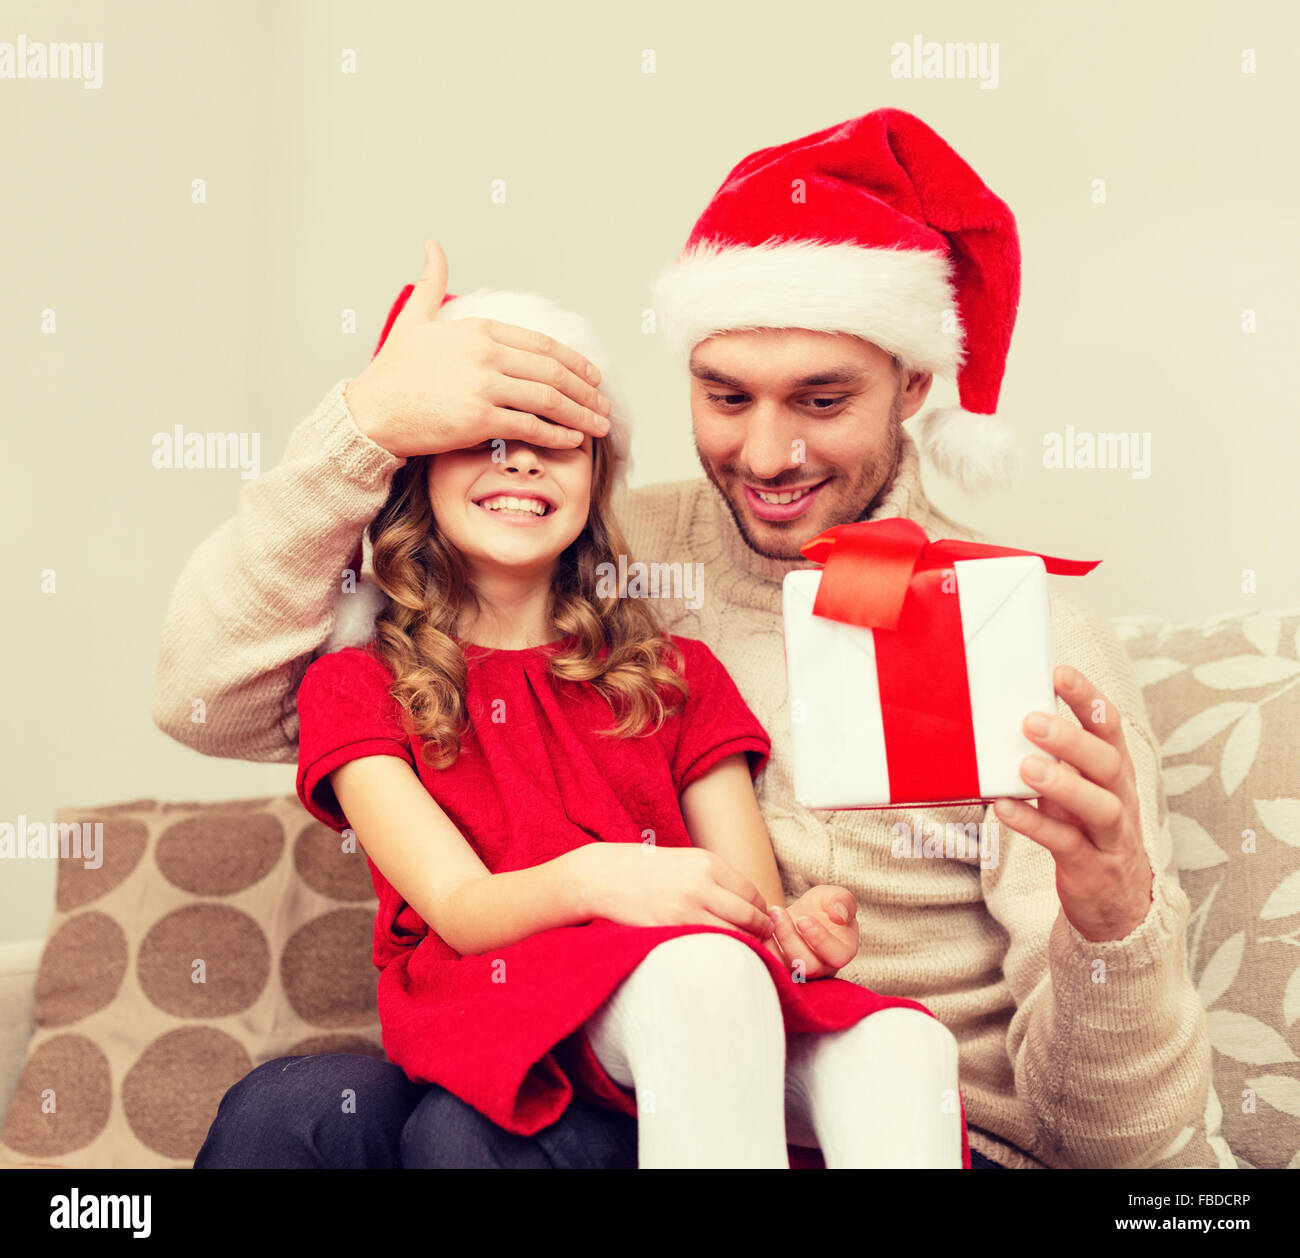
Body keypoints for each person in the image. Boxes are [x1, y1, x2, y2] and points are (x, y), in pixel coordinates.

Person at [164, 107, 1215, 1171]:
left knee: (477, 1128)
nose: (767, 453)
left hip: (869, 1097)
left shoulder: (1015, 635)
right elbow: (206, 693)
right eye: (725, 396)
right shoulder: (605, 555)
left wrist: (1112, 920)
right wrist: (367, 424)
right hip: (588, 1044)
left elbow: (1140, 1156)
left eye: (820, 397)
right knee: (293, 1109)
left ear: (912, 383)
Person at [290, 314, 967, 1166]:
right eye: (483, 441)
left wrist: (795, 929)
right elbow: (461, 913)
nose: (523, 461)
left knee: (908, 1050)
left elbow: (747, 908)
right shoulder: (358, 686)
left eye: (559, 441)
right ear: (416, 472)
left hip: (696, 990)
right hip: (501, 990)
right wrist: (607, 877)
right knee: (707, 978)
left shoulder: (676, 672)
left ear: (599, 475)